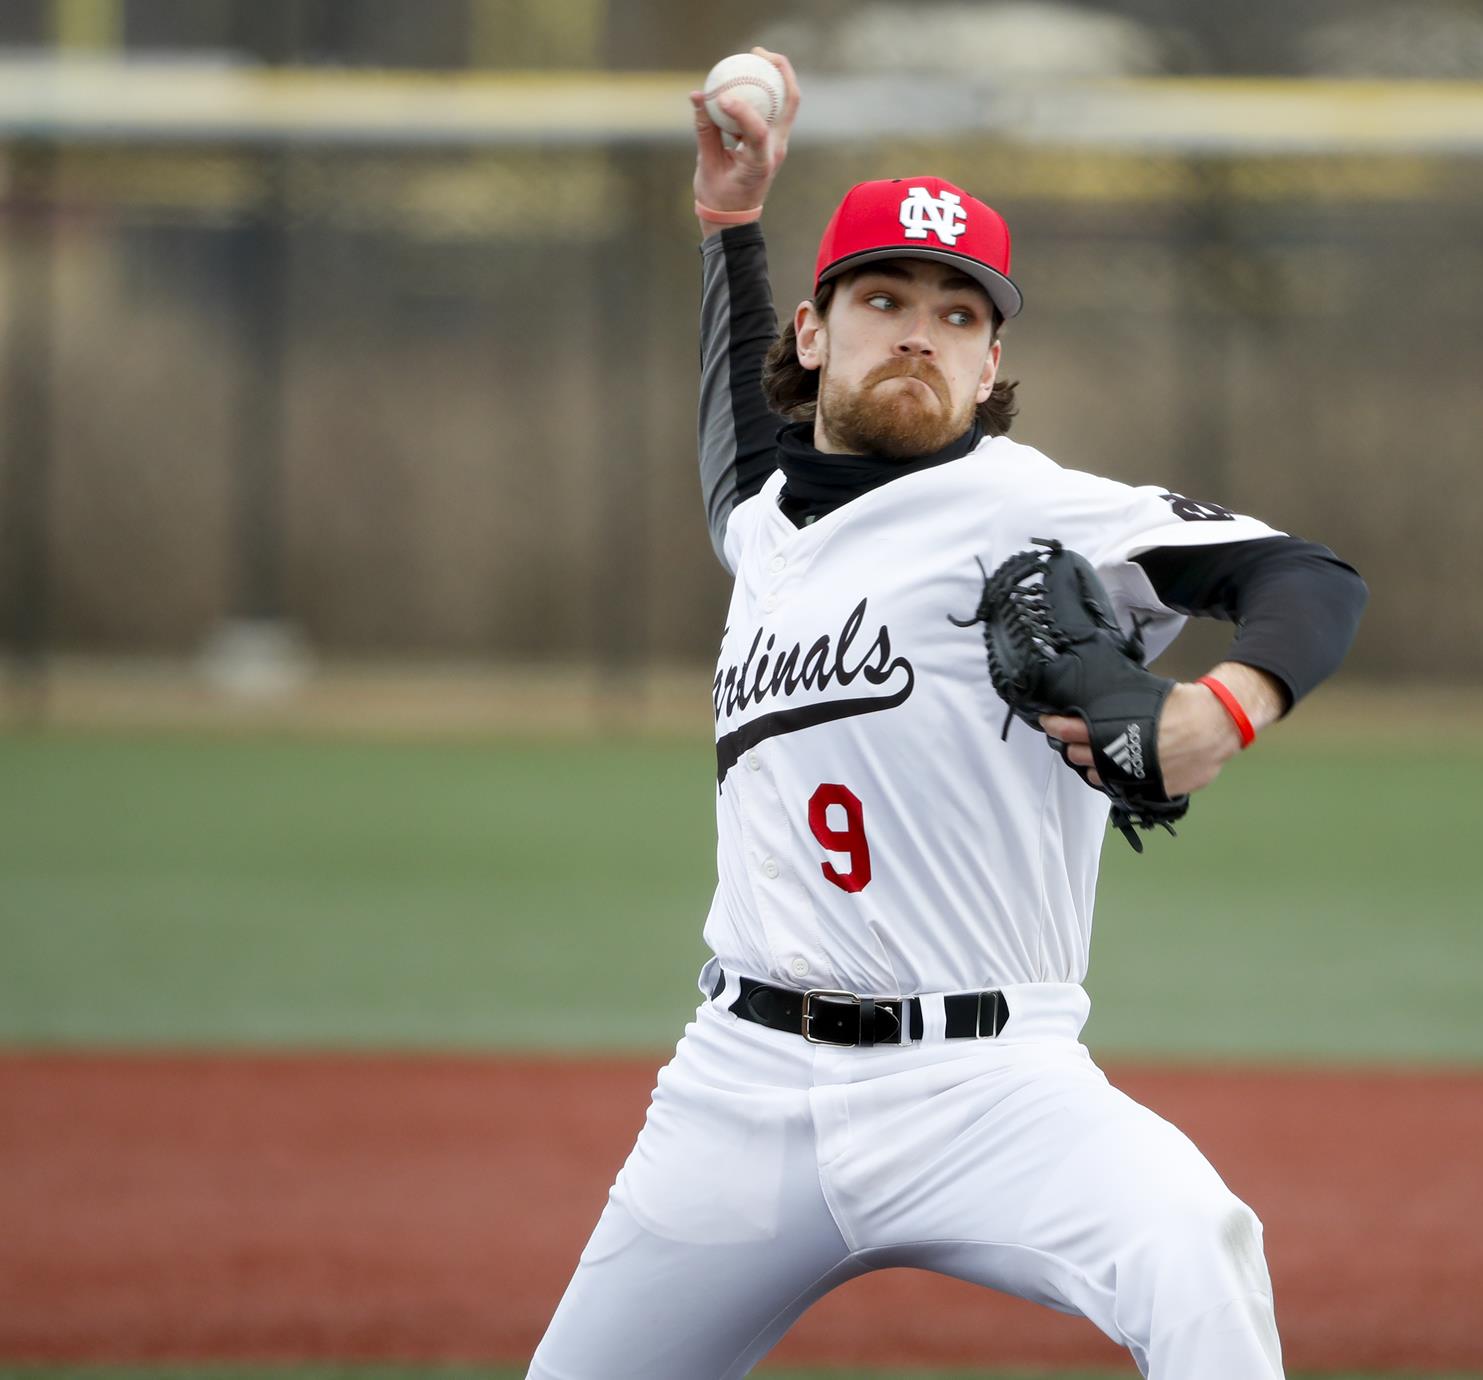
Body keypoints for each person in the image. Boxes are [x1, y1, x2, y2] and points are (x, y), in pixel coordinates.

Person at [528, 48, 1367, 1380]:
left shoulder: (1035, 510)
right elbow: (742, 448)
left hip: (985, 1084)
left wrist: (1223, 709)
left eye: (960, 313)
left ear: (991, 367)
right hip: (737, 1090)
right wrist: (730, 221)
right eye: (881, 297)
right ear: (811, 336)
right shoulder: (765, 526)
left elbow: (1306, 576)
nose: (921, 328)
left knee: (1194, 1247)